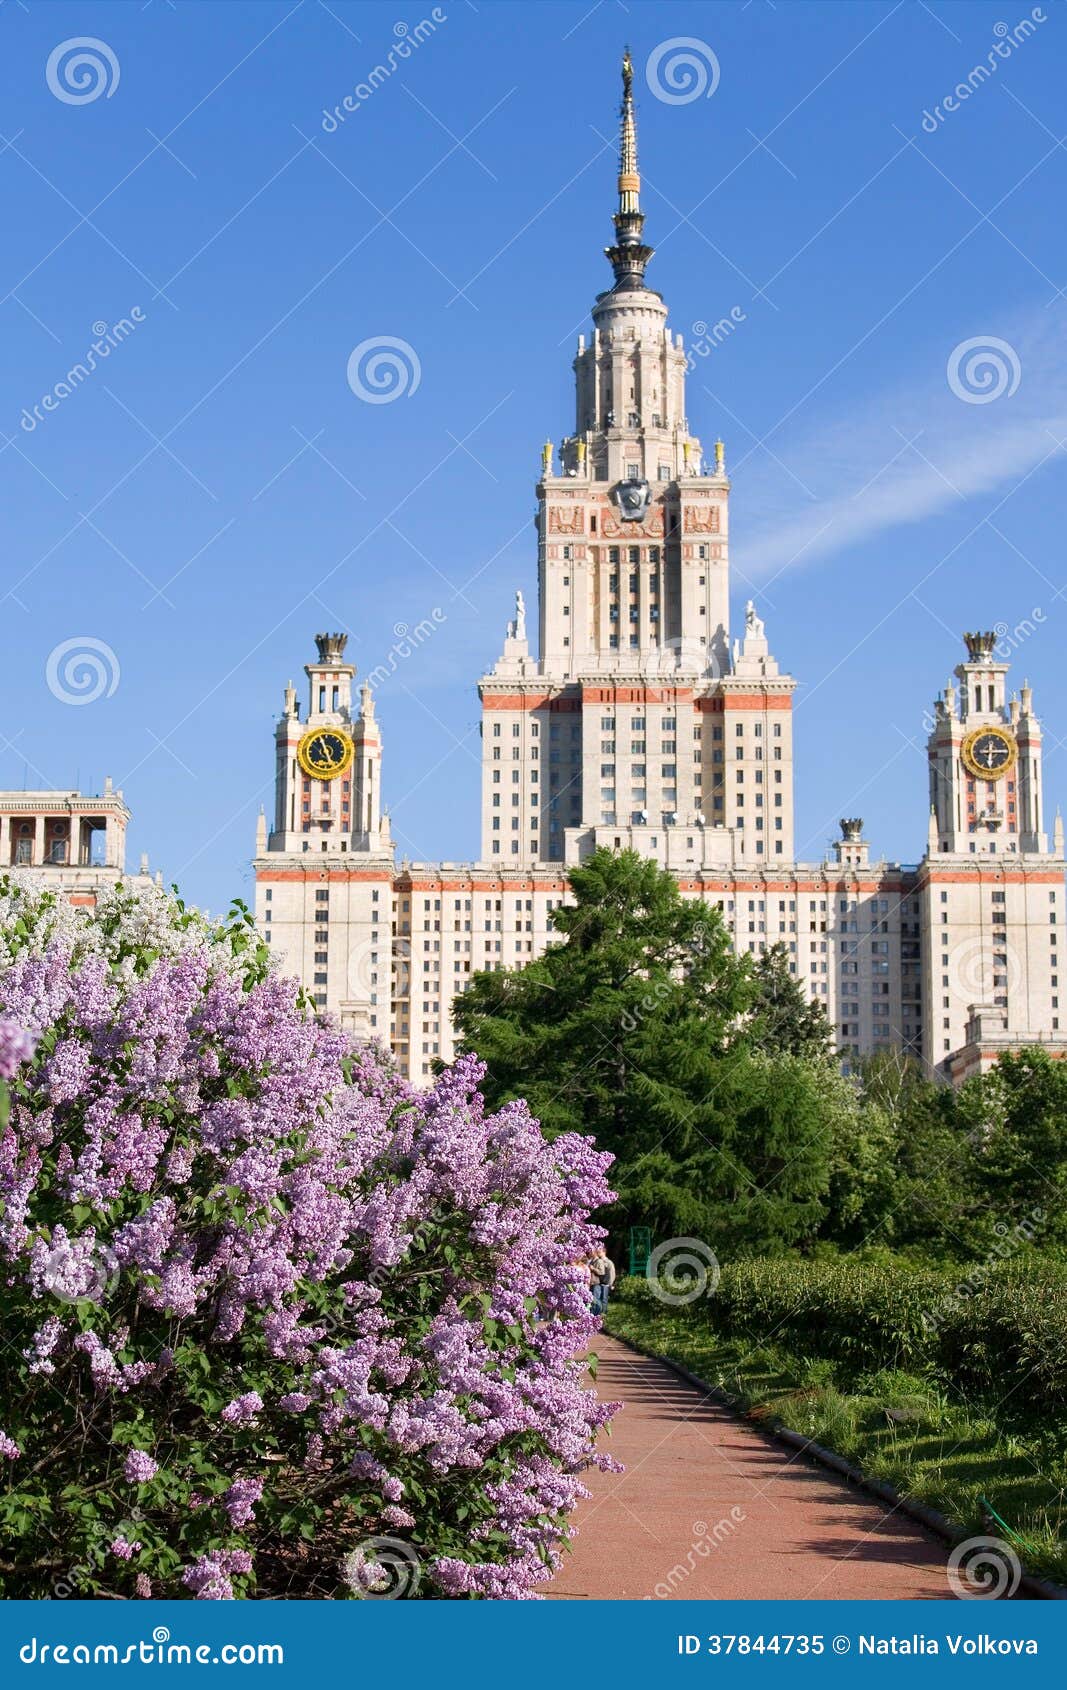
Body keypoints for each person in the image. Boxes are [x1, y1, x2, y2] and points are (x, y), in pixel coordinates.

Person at [589, 1246, 616, 1316]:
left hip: (605, 1283)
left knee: (604, 1299)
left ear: (604, 1252)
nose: (598, 1252)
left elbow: (612, 1274)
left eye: (600, 1251)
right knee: (598, 1299)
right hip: (599, 1282)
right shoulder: (598, 1261)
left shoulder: (609, 1262)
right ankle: (599, 1312)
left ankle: (604, 1313)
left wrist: (610, 1284)